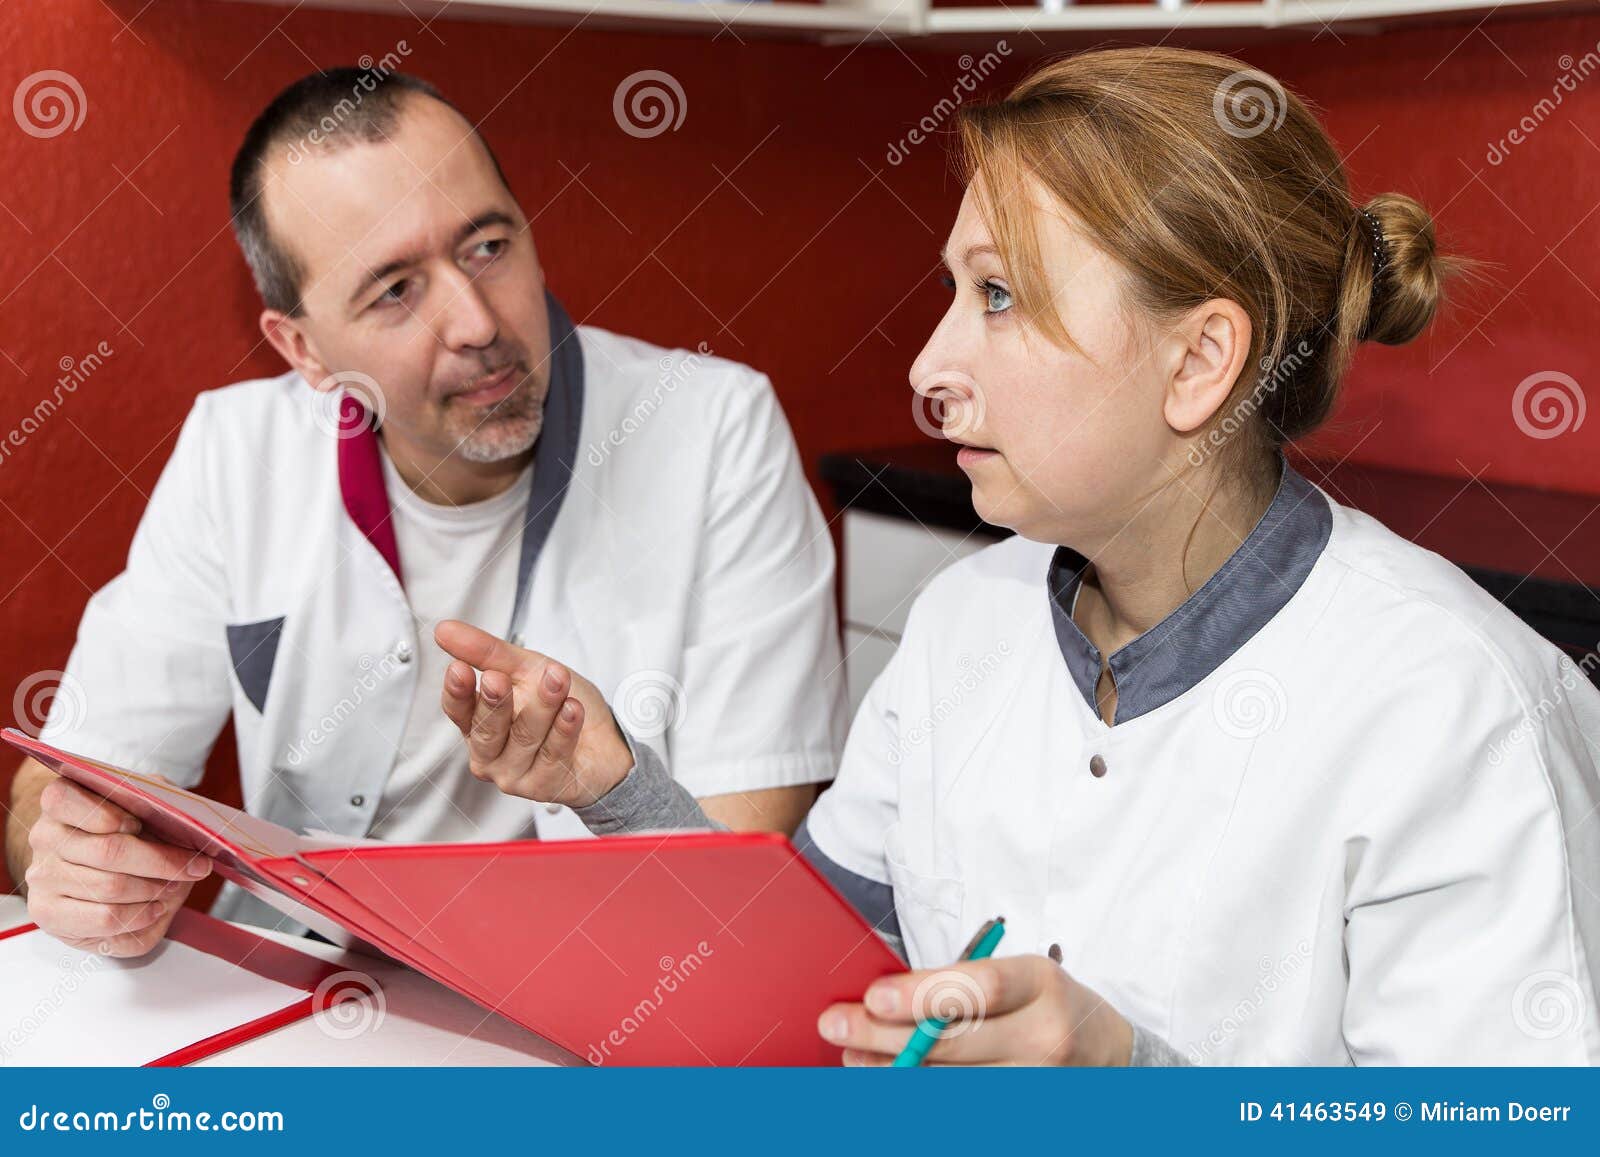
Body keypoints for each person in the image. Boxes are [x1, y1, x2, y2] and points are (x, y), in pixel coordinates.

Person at [440, 47, 1600, 1065]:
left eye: (997, 295)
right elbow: (812, 985)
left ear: (1200, 360)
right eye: (956, 290)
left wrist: (1127, 1083)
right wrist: (616, 787)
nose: (927, 369)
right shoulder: (963, 620)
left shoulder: (1459, 706)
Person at [7, 69, 846, 954]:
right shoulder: (236, 448)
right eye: (395, 290)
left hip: (600, 983)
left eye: (487, 245)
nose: (476, 321)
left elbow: (731, 884)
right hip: (303, 973)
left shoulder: (715, 430)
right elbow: (67, 787)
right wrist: (69, 860)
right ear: (303, 349)